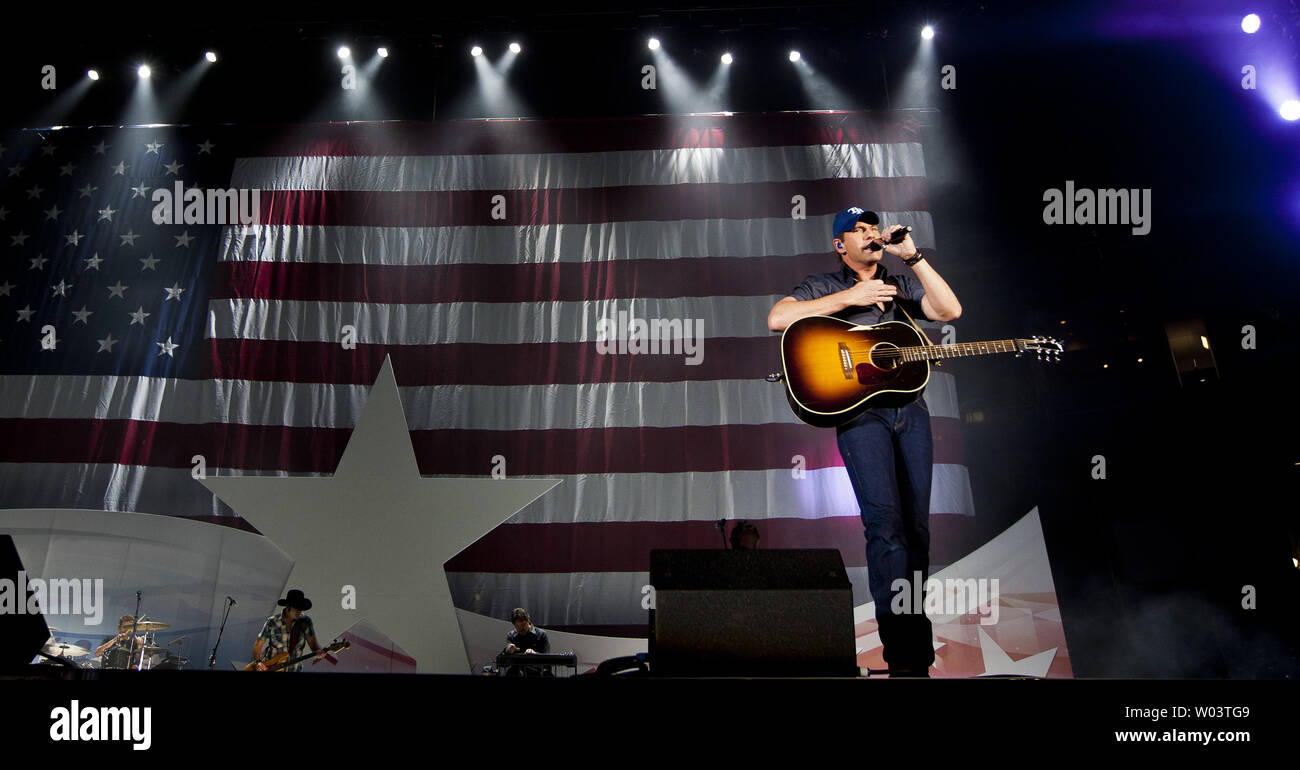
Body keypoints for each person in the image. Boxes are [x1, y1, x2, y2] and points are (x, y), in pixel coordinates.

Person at [767, 206, 962, 677]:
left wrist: (913, 257)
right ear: (841, 245)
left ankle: (917, 655)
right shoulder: (825, 283)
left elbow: (949, 310)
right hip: (861, 416)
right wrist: (850, 296)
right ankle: (903, 658)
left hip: (910, 411)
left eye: (873, 228)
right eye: (860, 230)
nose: (871, 234)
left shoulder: (900, 281)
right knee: (885, 528)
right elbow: (779, 318)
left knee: (916, 532)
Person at [251, 589, 325, 672]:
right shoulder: (272, 622)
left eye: (301, 609)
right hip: (272, 668)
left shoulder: (305, 622)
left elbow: (313, 644)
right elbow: (258, 644)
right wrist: (258, 662)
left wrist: (319, 652)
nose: (299, 611)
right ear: (288, 607)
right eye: (296, 608)